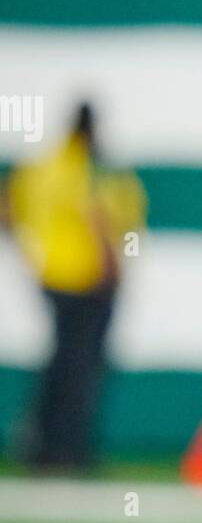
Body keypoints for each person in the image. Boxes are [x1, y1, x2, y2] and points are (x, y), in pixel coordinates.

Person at [6, 102, 146, 469]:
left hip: (53, 276)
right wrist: (113, 268)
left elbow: (10, 209)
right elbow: (97, 218)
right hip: (88, 282)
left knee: (61, 366)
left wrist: (33, 254)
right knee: (79, 369)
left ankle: (43, 447)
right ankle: (67, 451)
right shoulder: (88, 168)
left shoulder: (44, 167)